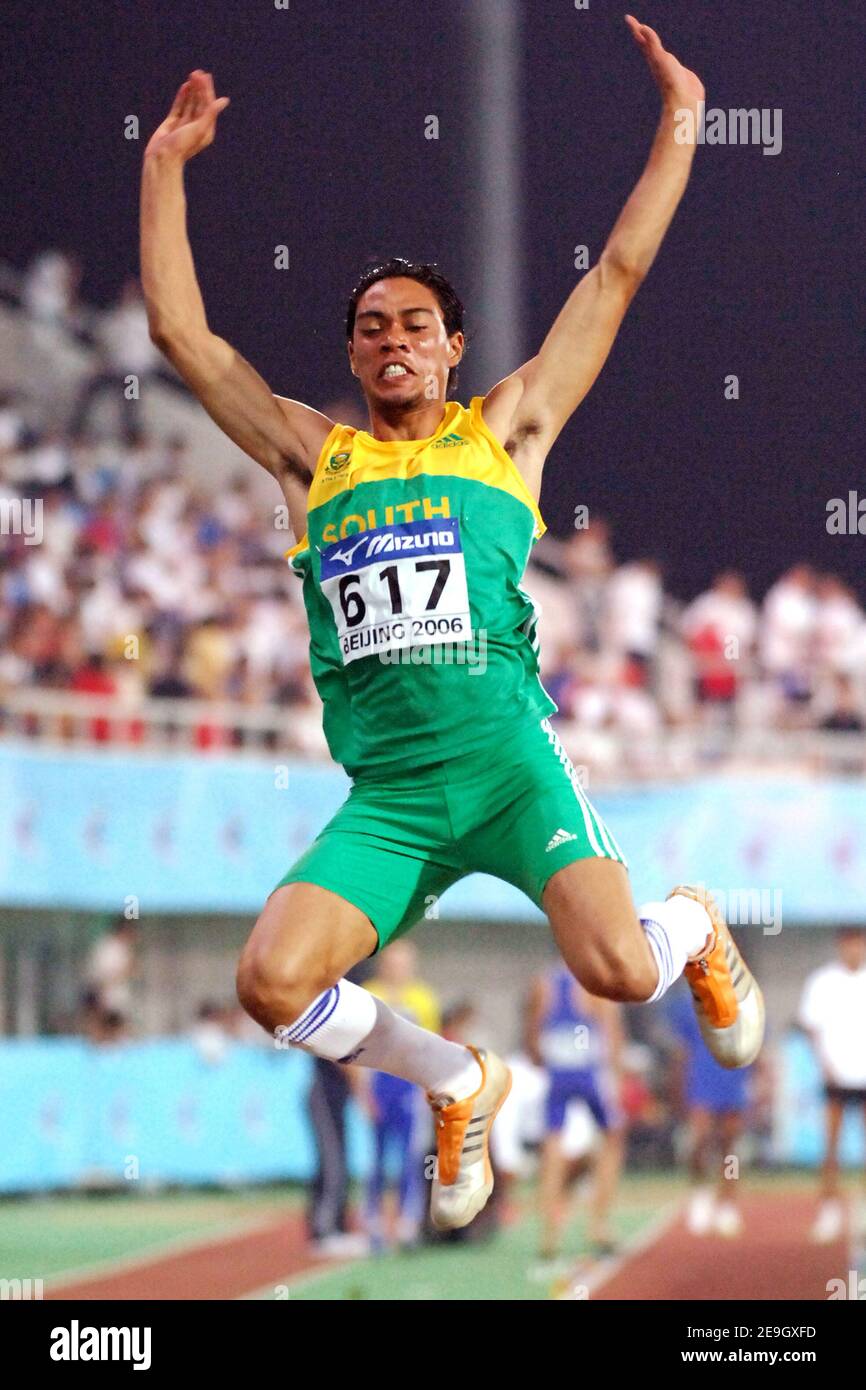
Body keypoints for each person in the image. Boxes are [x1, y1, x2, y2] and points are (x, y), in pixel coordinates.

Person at [140, 18, 764, 1234]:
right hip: (391, 795)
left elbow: (616, 274)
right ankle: (458, 1083)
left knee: (621, 973)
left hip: (507, 763)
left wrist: (682, 115)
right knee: (270, 982)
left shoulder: (508, 432)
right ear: (353, 354)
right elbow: (181, 338)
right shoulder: (310, 459)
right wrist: (163, 166)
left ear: (453, 348)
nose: (390, 339)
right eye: (370, 325)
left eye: (414, 323)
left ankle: (691, 921)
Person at [526, 965, 625, 1262]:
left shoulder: (546, 982)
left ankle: (550, 1233)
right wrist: (616, 1075)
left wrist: (544, 1061)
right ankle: (599, 1224)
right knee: (612, 1138)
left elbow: (532, 1033)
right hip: (589, 1071)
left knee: (553, 1145)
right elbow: (612, 1034)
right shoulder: (597, 979)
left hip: (558, 1071)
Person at [354, 942, 439, 1250]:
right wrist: (362, 1091)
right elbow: (356, 1045)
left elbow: (431, 1047)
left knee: (409, 1158)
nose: (398, 968)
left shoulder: (423, 998)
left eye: (404, 962)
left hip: (409, 1088)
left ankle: (407, 1224)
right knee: (375, 1159)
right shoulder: (368, 993)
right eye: (393, 962)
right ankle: (373, 1222)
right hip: (378, 1082)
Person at [667, 982, 752, 1237]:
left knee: (729, 1144)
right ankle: (700, 1194)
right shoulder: (688, 1002)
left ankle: (727, 1202)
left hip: (732, 1075)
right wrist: (679, 1087)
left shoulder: (743, 998)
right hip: (701, 1078)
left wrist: (754, 1081)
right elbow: (682, 1049)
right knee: (700, 1140)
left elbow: (752, 1040)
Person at [798, 928, 866, 1243]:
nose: (854, 950)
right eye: (849, 944)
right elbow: (811, 1027)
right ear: (841, 946)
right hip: (836, 1075)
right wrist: (824, 1064)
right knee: (831, 1146)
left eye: (859, 944)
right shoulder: (823, 981)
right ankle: (829, 1210)